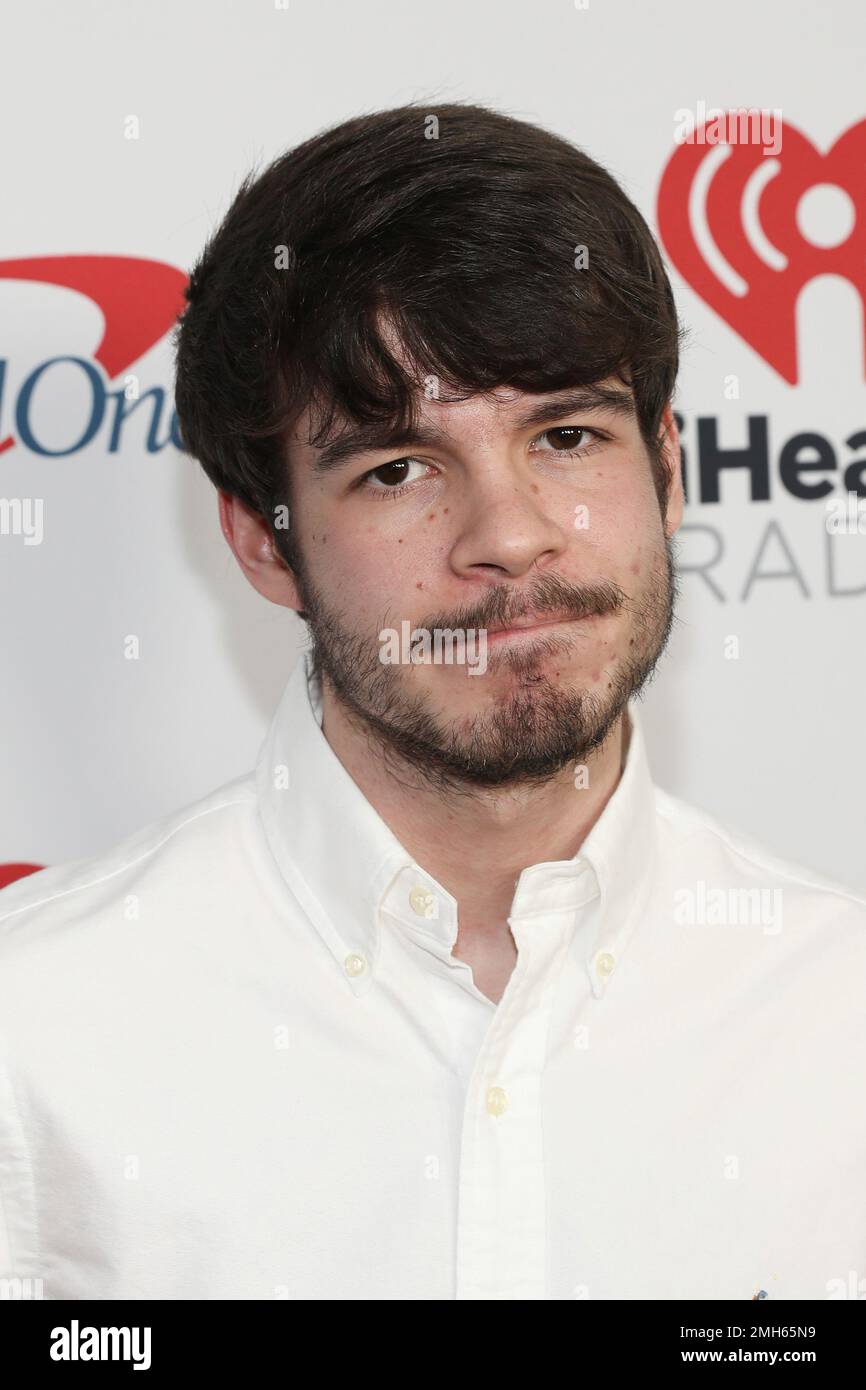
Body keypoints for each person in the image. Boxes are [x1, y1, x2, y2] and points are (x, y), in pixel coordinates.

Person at [1, 101, 864, 1302]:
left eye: (565, 436)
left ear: (666, 470)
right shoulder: (33, 1032)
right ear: (261, 541)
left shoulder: (839, 1013)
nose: (507, 537)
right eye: (397, 468)